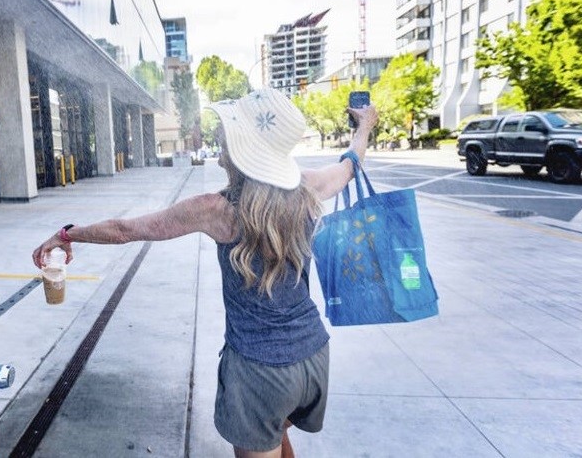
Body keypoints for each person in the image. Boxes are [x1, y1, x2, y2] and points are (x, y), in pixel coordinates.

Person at [32, 87, 378, 458]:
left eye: (225, 134)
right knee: (275, 433)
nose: (218, 140)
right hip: (312, 358)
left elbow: (125, 230)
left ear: (239, 147)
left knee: (266, 433)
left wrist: (67, 234)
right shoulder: (308, 187)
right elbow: (350, 163)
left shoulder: (217, 210)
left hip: (259, 371)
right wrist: (365, 125)